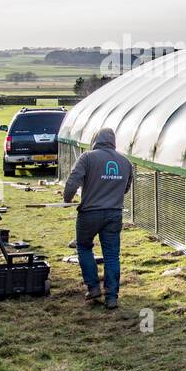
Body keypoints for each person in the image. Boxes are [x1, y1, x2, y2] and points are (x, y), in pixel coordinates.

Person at [63, 127, 133, 309]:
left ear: (96, 140)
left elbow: (73, 180)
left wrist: (67, 198)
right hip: (114, 214)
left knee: (84, 246)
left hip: (89, 213)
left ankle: (93, 287)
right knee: (111, 255)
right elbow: (126, 188)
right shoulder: (125, 162)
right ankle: (112, 297)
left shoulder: (88, 157)